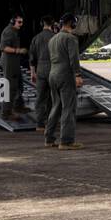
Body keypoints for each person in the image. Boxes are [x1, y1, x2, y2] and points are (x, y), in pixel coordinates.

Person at [45, 13, 85, 151]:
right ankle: (66, 141)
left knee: (56, 106)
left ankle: (49, 139)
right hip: (65, 76)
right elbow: (74, 58)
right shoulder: (71, 38)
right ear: (71, 23)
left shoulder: (52, 39)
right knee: (69, 108)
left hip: (53, 75)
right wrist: (78, 75)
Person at [29, 16, 58, 132]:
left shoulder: (36, 38)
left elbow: (32, 58)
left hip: (40, 69)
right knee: (54, 98)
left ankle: (40, 124)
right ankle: (51, 123)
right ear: (52, 24)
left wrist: (32, 72)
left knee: (40, 98)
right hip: (53, 69)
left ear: (42, 24)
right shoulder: (56, 37)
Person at [0, 14, 28, 121]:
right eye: (19, 22)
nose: (21, 24)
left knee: (19, 84)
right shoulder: (9, 32)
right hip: (9, 62)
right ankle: (6, 112)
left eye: (22, 22)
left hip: (14, 62)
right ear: (13, 22)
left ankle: (18, 106)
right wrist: (17, 51)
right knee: (10, 86)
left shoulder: (14, 31)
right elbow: (3, 47)